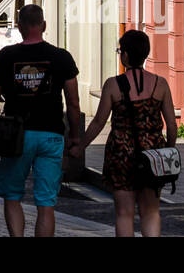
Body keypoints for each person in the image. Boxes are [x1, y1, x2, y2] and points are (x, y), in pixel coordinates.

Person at [0, 4, 80, 238]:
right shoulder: (61, 57)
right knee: (46, 202)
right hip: (52, 134)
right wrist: (75, 136)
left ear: (19, 27)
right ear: (44, 25)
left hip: (17, 135)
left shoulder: (7, 55)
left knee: (12, 195)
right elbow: (74, 101)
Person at [71, 29, 176, 238]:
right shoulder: (160, 84)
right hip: (153, 154)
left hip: (121, 154)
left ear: (125, 55)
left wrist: (80, 146)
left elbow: (99, 122)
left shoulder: (112, 85)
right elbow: (171, 125)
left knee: (124, 214)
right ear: (145, 54)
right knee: (151, 212)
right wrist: (168, 150)